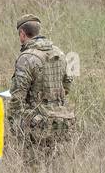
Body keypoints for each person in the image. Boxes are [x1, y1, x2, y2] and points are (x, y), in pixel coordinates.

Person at [8, 14, 75, 161]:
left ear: (22, 34)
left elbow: (17, 97)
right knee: (57, 164)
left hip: (36, 124)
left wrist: (13, 122)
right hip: (61, 120)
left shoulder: (26, 58)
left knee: (34, 165)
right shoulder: (61, 54)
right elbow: (67, 87)